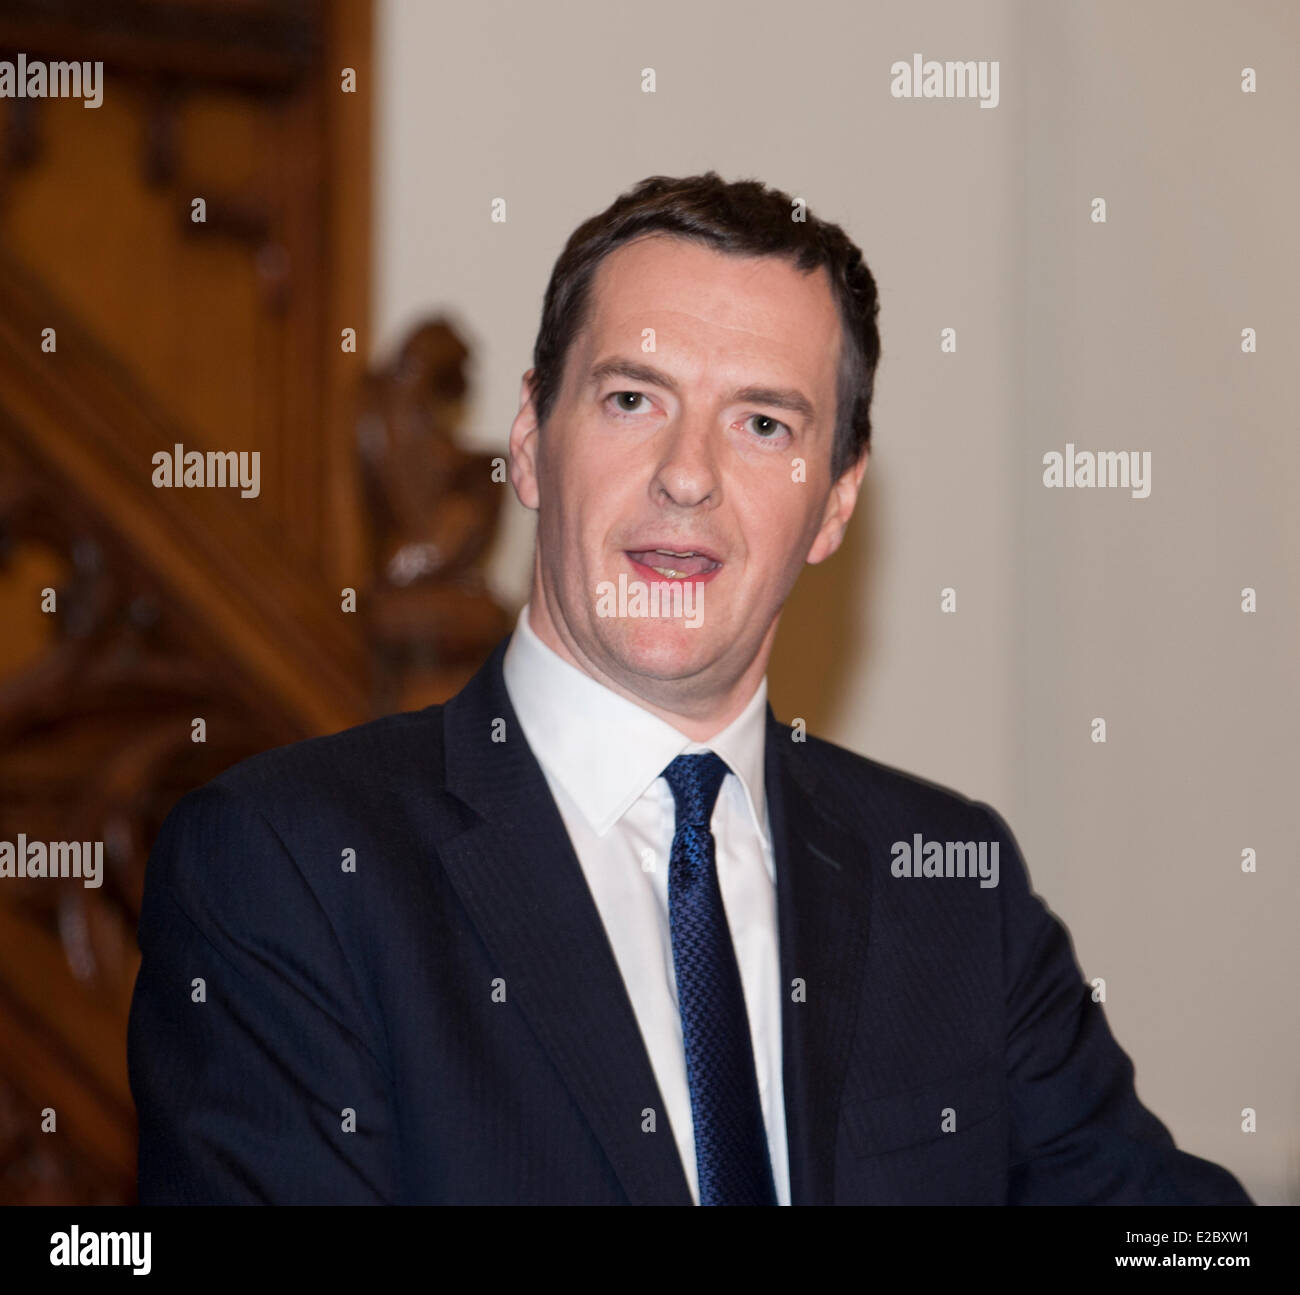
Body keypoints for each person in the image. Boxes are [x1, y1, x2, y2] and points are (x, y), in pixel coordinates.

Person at [128, 172, 1251, 1206]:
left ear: (837, 500)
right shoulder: (289, 865)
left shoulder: (951, 881)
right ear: (528, 436)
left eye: (763, 423)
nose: (687, 473)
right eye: (632, 399)